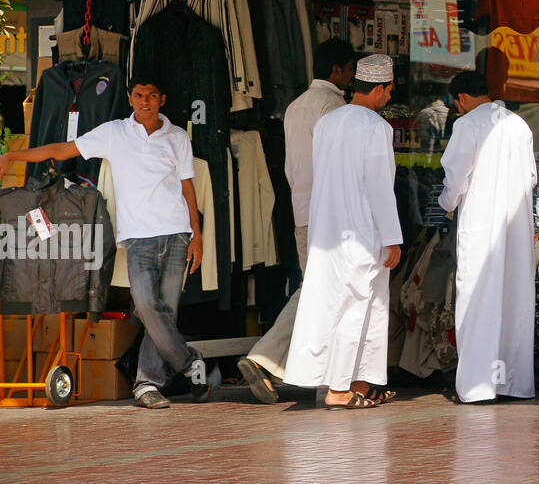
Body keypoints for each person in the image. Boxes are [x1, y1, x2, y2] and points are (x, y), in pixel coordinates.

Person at [0, 74, 208, 409]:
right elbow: (62, 149)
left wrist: (197, 237)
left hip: (176, 233)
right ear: (130, 99)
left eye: (152, 95)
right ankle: (189, 362)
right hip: (138, 239)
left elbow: (187, 189)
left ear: (162, 99)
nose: (145, 102)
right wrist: (14, 157)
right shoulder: (115, 133)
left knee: (166, 312)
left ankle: (146, 384)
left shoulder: (178, 137)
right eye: (139, 95)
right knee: (145, 306)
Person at [237, 38, 358, 404]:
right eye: (351, 70)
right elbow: (340, 166)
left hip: (302, 210)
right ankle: (268, 357)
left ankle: (288, 365)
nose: (352, 77)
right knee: (324, 292)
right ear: (336, 71)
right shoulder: (335, 107)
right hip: (331, 214)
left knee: (318, 291)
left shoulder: (295, 107)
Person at [284, 53, 403, 409]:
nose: (389, 98)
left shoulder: (329, 123)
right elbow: (380, 186)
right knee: (357, 306)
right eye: (389, 91)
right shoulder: (375, 127)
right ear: (380, 89)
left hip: (328, 230)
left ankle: (360, 383)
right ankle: (339, 389)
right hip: (361, 232)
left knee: (351, 305)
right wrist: (392, 237)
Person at [437, 69, 537, 403]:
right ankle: (511, 382)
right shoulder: (518, 124)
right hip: (516, 228)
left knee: (478, 298)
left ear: (462, 99)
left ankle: (478, 385)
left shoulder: (466, 125)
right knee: (513, 299)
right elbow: (533, 177)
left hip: (481, 225)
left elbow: (455, 177)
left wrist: (446, 204)